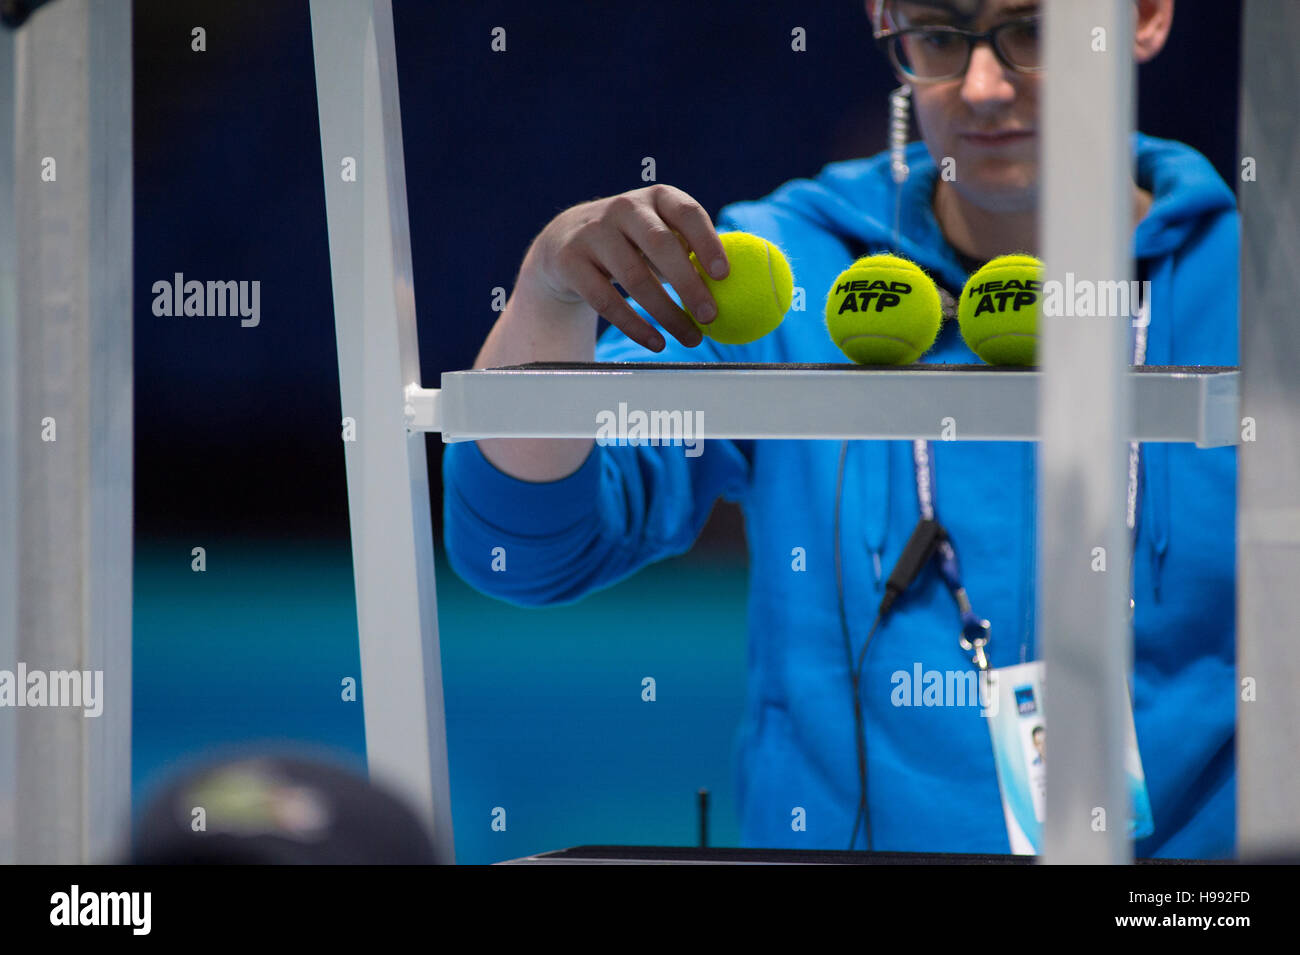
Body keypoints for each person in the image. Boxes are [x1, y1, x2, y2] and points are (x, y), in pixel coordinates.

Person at [442, 0, 1236, 858]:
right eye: (936, 36)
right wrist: (547, 292)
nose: (980, 86)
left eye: (1033, 31)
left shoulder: (1259, 286)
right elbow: (524, 552)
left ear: (1146, 17)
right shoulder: (782, 268)